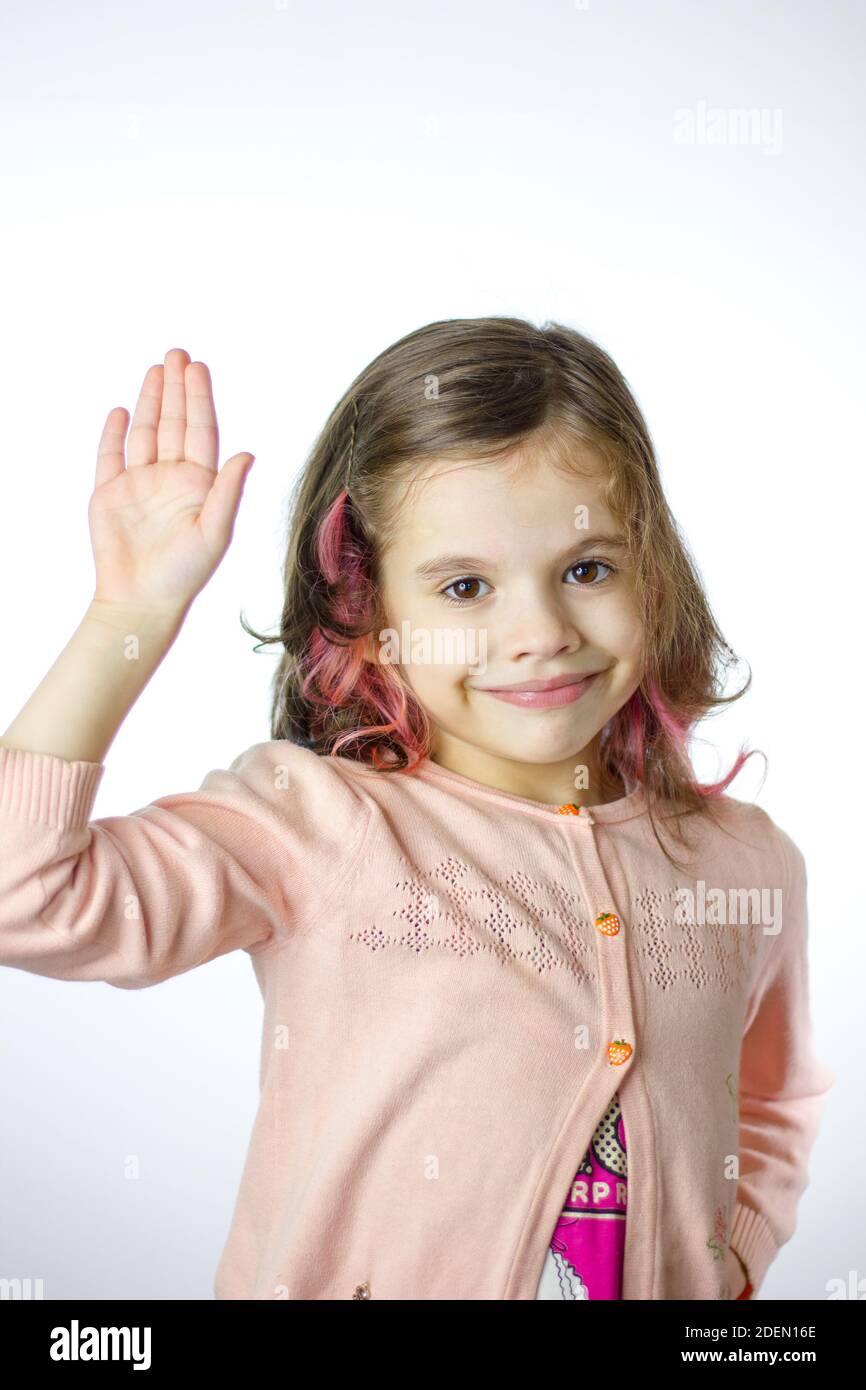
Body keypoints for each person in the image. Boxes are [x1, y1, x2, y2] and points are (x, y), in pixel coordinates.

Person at [0, 319, 834, 1300]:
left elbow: (771, 1094)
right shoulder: (315, 826)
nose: (537, 633)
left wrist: (728, 1252)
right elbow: (26, 892)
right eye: (465, 586)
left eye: (585, 568)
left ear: (653, 570)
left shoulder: (745, 861)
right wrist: (125, 618)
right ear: (370, 612)